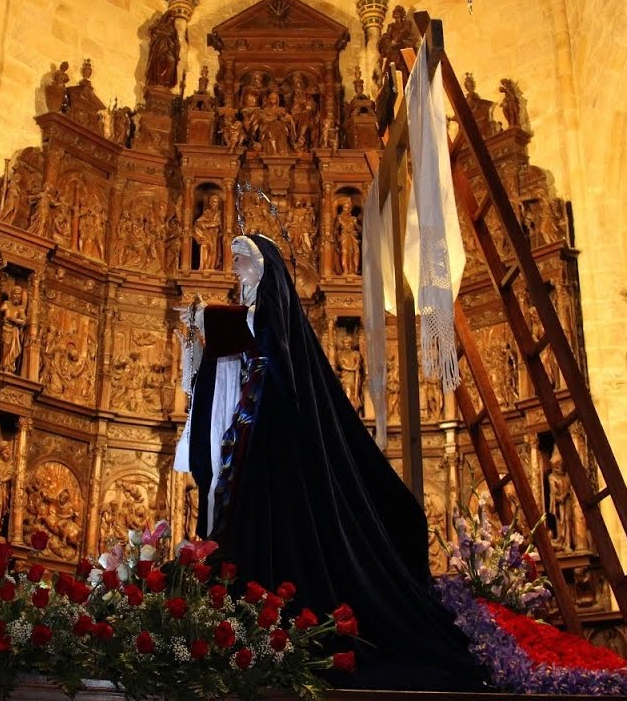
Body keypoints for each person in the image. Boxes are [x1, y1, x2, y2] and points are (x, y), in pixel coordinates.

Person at [173, 234, 487, 691]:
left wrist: (207, 319)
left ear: (264, 269)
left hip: (273, 439)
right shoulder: (255, 320)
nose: (236, 271)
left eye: (243, 263)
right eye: (236, 263)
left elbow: (257, 335)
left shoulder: (272, 319)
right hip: (248, 428)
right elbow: (230, 355)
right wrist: (202, 340)